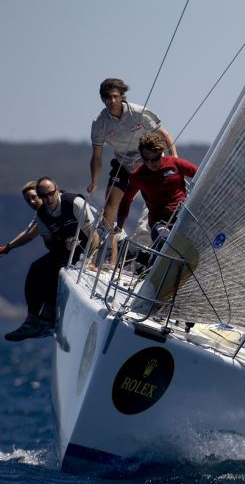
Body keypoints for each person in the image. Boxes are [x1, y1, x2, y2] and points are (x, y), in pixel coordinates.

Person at [4, 178, 99, 341]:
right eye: (42, 196)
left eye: (50, 194)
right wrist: (64, 243)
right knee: (37, 268)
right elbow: (49, 244)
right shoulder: (42, 214)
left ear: (57, 190)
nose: (46, 199)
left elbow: (94, 235)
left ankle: (47, 318)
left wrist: (90, 261)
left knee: (58, 269)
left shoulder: (73, 202)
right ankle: (31, 320)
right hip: (66, 249)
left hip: (89, 247)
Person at [88, 78, 177, 234]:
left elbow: (165, 135)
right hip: (124, 162)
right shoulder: (99, 123)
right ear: (102, 99)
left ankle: (163, 231)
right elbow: (96, 156)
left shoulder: (138, 113)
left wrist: (174, 159)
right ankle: (108, 243)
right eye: (107, 97)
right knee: (110, 201)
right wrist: (94, 181)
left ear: (122, 96)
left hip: (149, 161)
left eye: (115, 96)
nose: (112, 101)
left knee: (158, 201)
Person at [116, 134, 198, 245]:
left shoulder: (175, 163)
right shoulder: (137, 176)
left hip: (182, 213)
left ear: (161, 153)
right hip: (159, 221)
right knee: (162, 236)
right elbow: (126, 201)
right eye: (146, 159)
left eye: (155, 159)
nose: (151, 163)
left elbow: (201, 175)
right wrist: (119, 227)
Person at [0, 182, 43, 257]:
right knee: (36, 268)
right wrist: (7, 247)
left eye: (34, 197)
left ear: (41, 194)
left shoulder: (61, 202)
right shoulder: (40, 216)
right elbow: (28, 234)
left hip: (69, 251)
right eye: (28, 200)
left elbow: (30, 235)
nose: (32, 202)